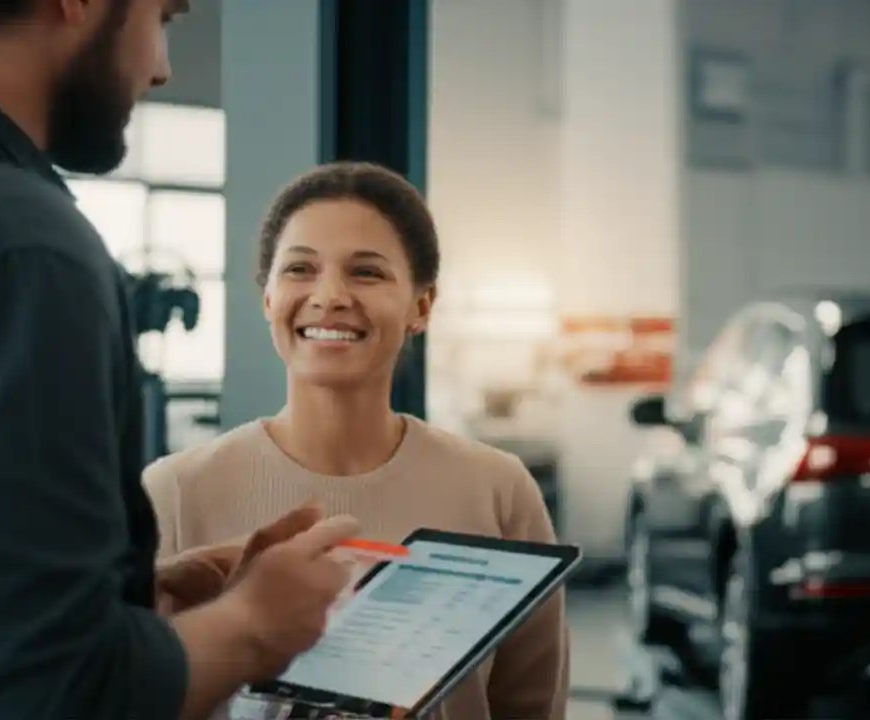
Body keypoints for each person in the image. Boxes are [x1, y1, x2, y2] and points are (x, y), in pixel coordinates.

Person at [0, 1, 357, 718]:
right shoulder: (9, 243)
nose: (160, 67)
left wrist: (123, 607)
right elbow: (46, 698)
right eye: (161, 18)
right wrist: (257, 623)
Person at [143, 162, 571, 720]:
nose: (330, 295)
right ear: (268, 298)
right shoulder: (175, 491)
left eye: (366, 273)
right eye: (300, 269)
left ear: (421, 306)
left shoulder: (498, 489)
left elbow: (531, 709)